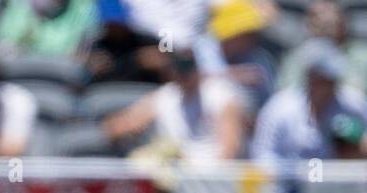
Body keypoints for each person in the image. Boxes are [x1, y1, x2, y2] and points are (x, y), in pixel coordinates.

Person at [103, 47, 244, 162]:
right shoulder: (165, 96)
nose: (184, 74)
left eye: (188, 67)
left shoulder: (220, 94)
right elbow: (116, 128)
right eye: (178, 68)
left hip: (210, 180)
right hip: (173, 178)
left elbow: (229, 150)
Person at [252, 40, 367, 163]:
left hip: (341, 179)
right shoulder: (280, 108)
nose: (326, 85)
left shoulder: (354, 104)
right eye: (320, 79)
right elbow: (263, 155)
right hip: (290, 180)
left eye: (330, 80)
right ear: (309, 78)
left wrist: (356, 147)